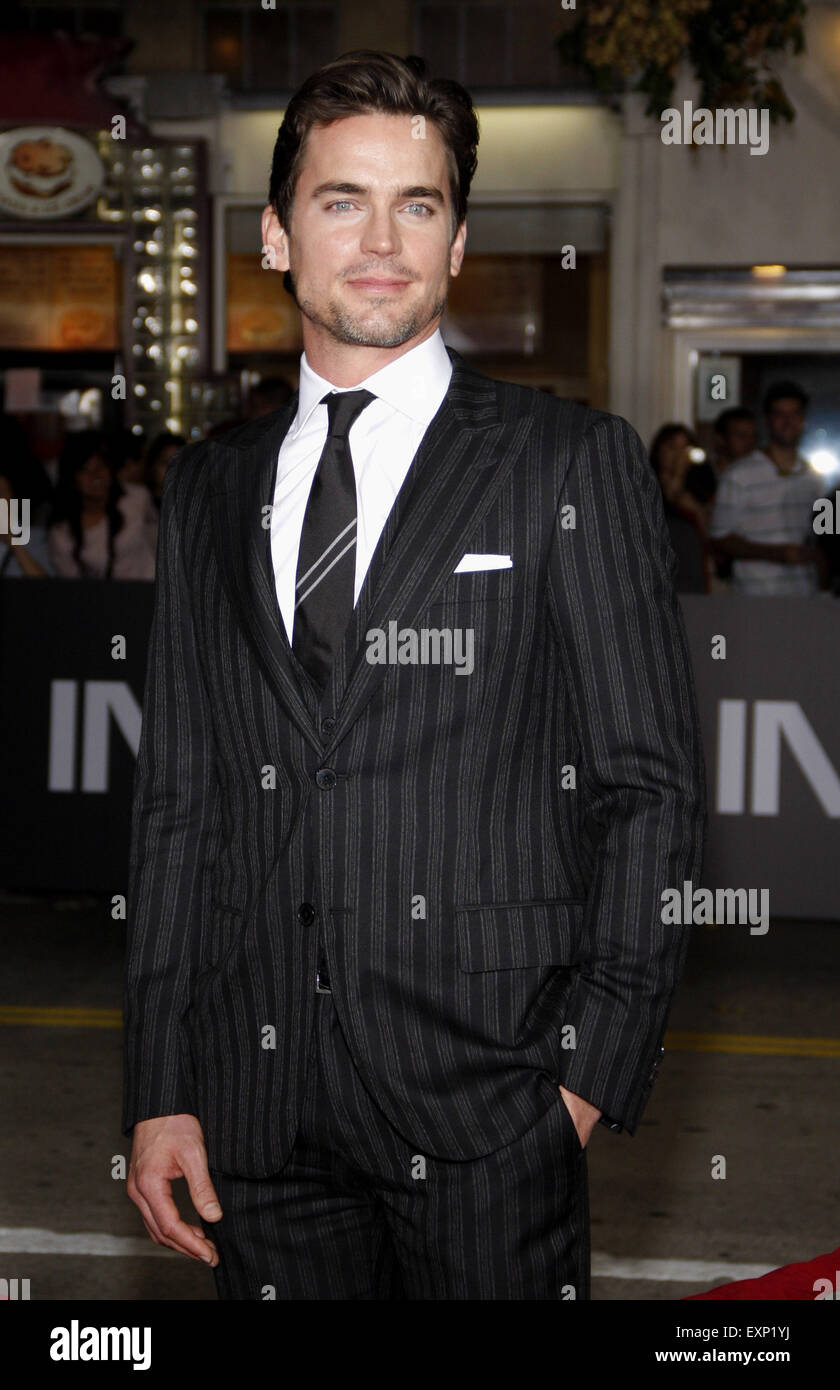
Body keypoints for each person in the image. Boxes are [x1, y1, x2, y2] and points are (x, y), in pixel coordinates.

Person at [123, 50, 706, 1301]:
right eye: (342, 201)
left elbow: (647, 792)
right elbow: (180, 803)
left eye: (419, 204)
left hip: (491, 1109)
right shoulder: (211, 488)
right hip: (255, 1117)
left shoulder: (566, 462)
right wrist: (161, 1086)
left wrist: (581, 1083)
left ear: (456, 241)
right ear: (277, 235)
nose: (381, 239)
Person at [709, 381, 826, 595]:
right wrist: (776, 553)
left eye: (794, 414)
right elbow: (720, 539)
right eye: (780, 415)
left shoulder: (813, 478)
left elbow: (821, 537)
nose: (787, 422)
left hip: (805, 596)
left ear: (803, 420)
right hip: (754, 598)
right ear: (767, 420)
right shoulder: (738, 475)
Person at [47, 430, 157, 579]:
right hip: (101, 599)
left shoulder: (136, 498)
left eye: (100, 467)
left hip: (151, 591)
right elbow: (70, 585)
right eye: (85, 470)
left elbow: (160, 541)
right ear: (72, 479)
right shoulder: (62, 531)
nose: (95, 476)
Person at [145, 431, 186, 509]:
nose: (172, 470)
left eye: (179, 464)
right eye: (165, 463)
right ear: (153, 465)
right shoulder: (141, 503)